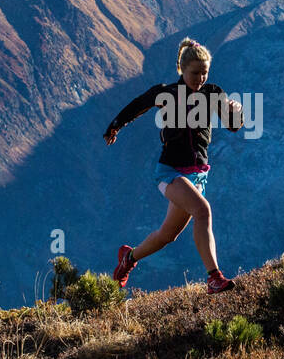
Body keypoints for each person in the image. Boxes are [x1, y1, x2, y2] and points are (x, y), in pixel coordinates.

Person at [103, 37, 244, 294]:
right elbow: (138, 105)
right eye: (194, 73)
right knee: (203, 211)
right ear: (182, 69)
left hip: (198, 174)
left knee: (167, 236)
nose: (200, 78)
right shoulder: (166, 94)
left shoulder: (213, 93)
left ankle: (128, 258)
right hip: (170, 173)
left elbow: (233, 125)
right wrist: (115, 125)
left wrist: (236, 111)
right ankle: (214, 277)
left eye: (204, 73)